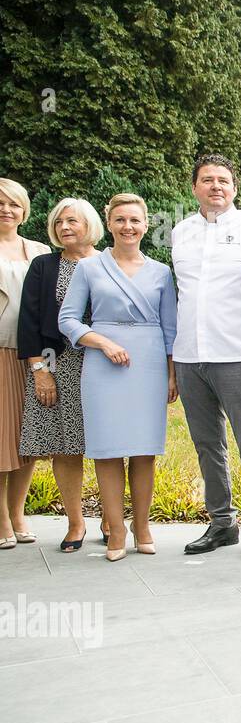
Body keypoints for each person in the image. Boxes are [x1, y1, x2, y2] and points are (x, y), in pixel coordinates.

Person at [57, 194, 177, 561]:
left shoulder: (161, 272)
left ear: (146, 226)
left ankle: (142, 527)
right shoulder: (90, 268)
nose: (128, 227)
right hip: (103, 364)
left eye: (135, 221)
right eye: (120, 220)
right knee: (107, 451)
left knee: (144, 451)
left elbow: (171, 330)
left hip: (150, 363)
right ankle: (116, 530)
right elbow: (69, 320)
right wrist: (102, 342)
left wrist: (172, 376)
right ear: (108, 224)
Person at [171, 154, 241, 559]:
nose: (215, 186)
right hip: (189, 355)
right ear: (195, 186)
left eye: (223, 181)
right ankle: (222, 522)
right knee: (206, 442)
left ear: (234, 188)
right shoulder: (181, 232)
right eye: (207, 180)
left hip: (239, 352)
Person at [18, 198, 100, 551]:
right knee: (65, 448)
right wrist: (41, 372)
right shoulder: (43, 266)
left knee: (109, 447)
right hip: (57, 366)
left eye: (72, 221)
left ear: (90, 225)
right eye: (59, 222)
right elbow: (30, 323)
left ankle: (113, 521)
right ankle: (76, 523)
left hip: (103, 366)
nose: (64, 227)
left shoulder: (110, 262)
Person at [0, 179, 51, 549]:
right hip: (0, 349)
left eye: (13, 204)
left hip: (33, 354)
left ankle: (18, 513)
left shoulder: (39, 250)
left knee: (27, 437)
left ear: (24, 210)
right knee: (1, 437)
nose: (6, 210)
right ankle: (1, 519)